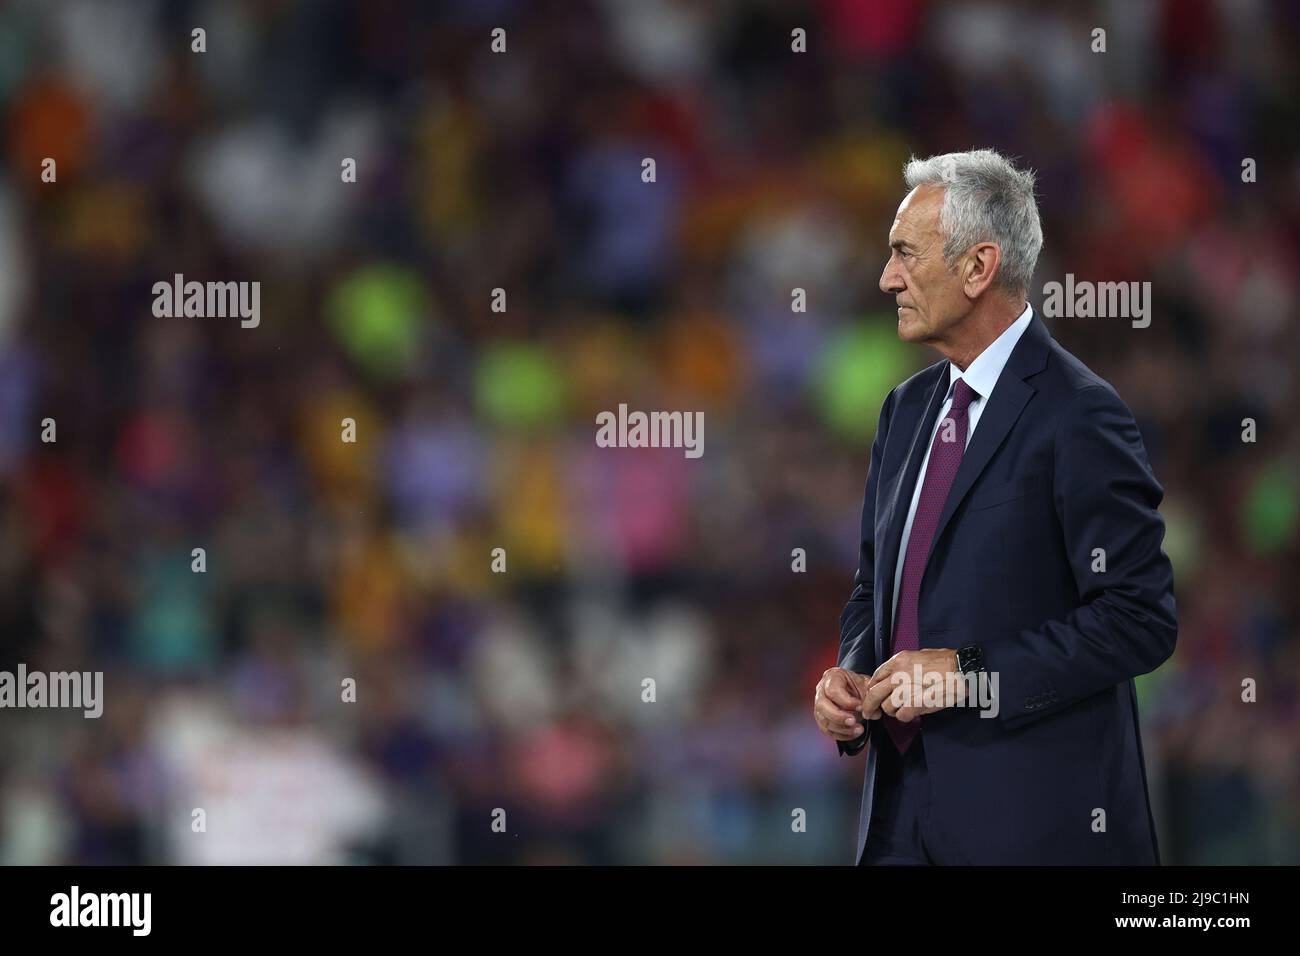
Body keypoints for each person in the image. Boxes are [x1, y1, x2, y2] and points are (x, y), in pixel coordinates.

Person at [812, 149, 1177, 865]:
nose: (887, 277)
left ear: (978, 267)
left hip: (1033, 828)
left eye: (905, 255)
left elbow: (1140, 619)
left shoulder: (1080, 414)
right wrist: (853, 676)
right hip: (896, 821)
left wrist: (968, 672)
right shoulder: (905, 410)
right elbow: (873, 591)